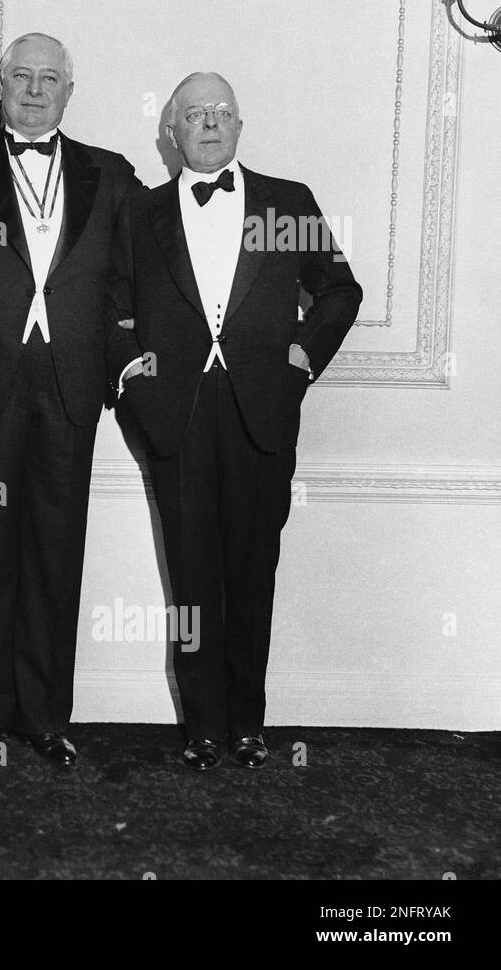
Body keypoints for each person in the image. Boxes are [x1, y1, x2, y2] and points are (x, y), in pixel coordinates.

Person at [105, 72, 362, 770]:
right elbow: (111, 305)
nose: (209, 123)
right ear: (172, 132)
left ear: (240, 127)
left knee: (253, 572)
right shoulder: (139, 213)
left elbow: (341, 289)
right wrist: (133, 377)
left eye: (221, 112)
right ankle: (202, 730)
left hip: (262, 411)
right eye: (194, 114)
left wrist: (302, 359)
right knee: (190, 577)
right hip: (176, 414)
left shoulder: (287, 202)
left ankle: (247, 724)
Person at [0, 32, 142, 766]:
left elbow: (127, 286)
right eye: (22, 76)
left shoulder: (111, 174)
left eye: (50, 79)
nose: (36, 90)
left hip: (72, 387)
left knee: (55, 552)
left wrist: (126, 363)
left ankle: (46, 717)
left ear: (69, 92)